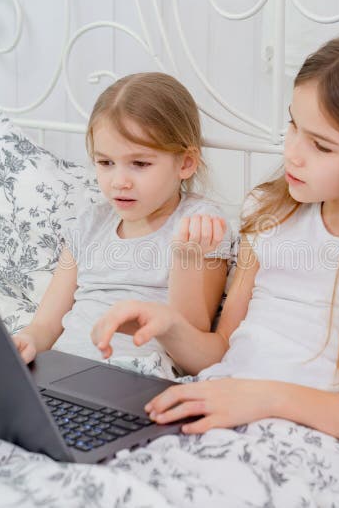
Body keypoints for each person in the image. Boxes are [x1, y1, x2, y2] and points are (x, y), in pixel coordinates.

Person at [90, 31, 339, 450]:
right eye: (293, 124)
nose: (291, 152)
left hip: (310, 440)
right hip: (219, 406)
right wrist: (168, 326)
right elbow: (220, 352)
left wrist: (269, 398)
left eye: (321, 146)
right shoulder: (271, 213)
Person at [13, 72, 232, 378]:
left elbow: (190, 345)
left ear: (185, 163)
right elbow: (46, 325)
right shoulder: (90, 224)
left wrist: (186, 257)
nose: (119, 182)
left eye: (140, 164)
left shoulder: (198, 225)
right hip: (63, 372)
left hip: (134, 376)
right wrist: (26, 340)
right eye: (105, 163)